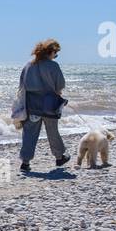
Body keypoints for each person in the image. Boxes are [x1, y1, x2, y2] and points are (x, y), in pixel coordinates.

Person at [18, 38, 70, 171]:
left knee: (29, 132)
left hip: (32, 105)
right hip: (50, 105)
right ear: (51, 52)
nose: (55, 56)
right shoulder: (53, 66)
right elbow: (60, 85)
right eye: (56, 53)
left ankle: (25, 162)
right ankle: (59, 157)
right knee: (52, 131)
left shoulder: (28, 66)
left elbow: (22, 86)